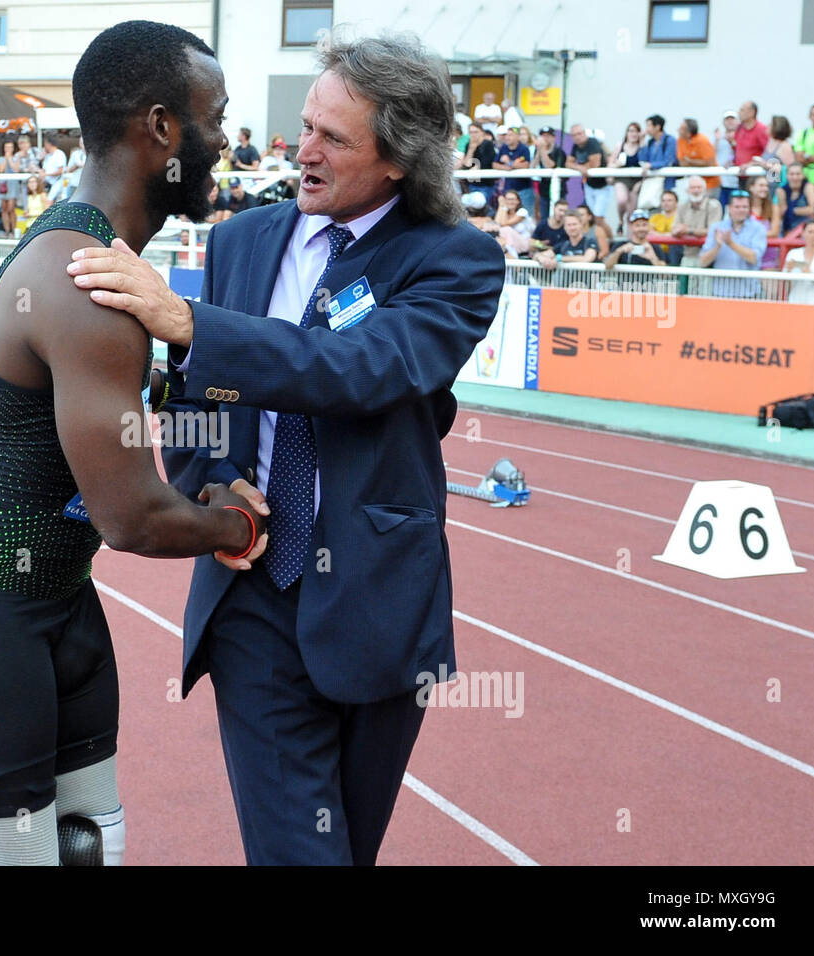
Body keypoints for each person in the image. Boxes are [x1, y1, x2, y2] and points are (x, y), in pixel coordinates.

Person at [67, 32, 504, 866]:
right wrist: (211, 483)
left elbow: (363, 369)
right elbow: (196, 398)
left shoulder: (456, 261)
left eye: (333, 139)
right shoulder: (244, 242)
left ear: (401, 160)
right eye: (304, 126)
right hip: (255, 598)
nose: (301, 151)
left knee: (346, 850)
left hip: (379, 609)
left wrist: (194, 325)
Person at [0, 19, 265, 868]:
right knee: (25, 863)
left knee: (90, 848)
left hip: (52, 589)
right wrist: (237, 524)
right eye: (219, 116)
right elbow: (131, 516)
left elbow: (123, 424)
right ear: (162, 129)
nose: (230, 140)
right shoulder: (83, 281)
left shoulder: (94, 250)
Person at [698, 189, 767, 298]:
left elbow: (754, 258)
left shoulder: (758, 228)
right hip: (720, 293)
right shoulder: (716, 227)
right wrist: (718, 246)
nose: (741, 210)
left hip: (749, 293)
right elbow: (702, 261)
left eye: (744, 207)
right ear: (729, 208)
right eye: (737, 207)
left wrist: (730, 243)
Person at [672, 175, 724, 267]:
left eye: (699, 187)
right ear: (687, 190)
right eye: (692, 188)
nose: (696, 190)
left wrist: (688, 231)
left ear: (705, 189)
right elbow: (675, 229)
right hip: (687, 255)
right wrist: (678, 231)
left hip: (708, 256)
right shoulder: (682, 206)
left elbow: (712, 231)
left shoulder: (714, 205)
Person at [570, 124, 612, 230]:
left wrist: (578, 167)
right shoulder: (575, 146)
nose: (577, 137)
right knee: (592, 218)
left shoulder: (592, 143)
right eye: (574, 135)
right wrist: (580, 168)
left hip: (602, 186)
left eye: (579, 133)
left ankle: (610, 240)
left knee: (598, 219)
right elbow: (568, 163)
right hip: (589, 185)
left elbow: (595, 164)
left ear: (584, 133)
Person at [535, 203, 598, 268]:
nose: (572, 228)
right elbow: (537, 255)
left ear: (581, 225)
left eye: (574, 224)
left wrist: (559, 258)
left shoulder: (590, 242)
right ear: (564, 227)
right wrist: (542, 259)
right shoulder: (563, 245)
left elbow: (587, 259)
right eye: (569, 225)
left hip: (589, 278)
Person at [793, 104, 814, 217]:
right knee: (810, 211)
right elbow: (799, 157)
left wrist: (809, 157)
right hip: (807, 179)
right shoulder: (803, 134)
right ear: (810, 116)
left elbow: (805, 156)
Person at [784, 218, 814, 304]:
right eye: (810, 232)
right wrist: (788, 271)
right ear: (803, 233)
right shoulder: (793, 254)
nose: (813, 235)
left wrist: (810, 275)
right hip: (796, 301)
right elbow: (784, 283)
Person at [494, 125, 533, 214]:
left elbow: (525, 165)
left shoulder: (524, 149)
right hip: (508, 189)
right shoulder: (504, 148)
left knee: (526, 214)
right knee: (508, 214)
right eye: (507, 135)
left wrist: (509, 163)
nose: (507, 137)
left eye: (510, 135)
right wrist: (506, 167)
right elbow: (494, 164)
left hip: (523, 189)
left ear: (517, 137)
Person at [676, 118, 718, 197]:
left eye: (681, 128)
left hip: (710, 184)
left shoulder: (702, 140)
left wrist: (691, 161)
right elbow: (682, 163)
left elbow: (710, 163)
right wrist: (699, 162)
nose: (678, 130)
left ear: (688, 133)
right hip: (692, 184)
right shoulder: (680, 140)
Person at [611, 121, 643, 224]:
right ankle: (620, 219)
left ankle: (630, 236)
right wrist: (617, 165)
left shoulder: (642, 147)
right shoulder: (620, 146)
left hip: (636, 181)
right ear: (627, 133)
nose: (633, 134)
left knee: (632, 211)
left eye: (636, 131)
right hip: (622, 179)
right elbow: (610, 164)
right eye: (631, 131)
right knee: (622, 200)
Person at [746, 175, 781, 269]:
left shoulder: (773, 207)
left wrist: (750, 234)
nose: (765, 188)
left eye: (766, 186)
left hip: (769, 257)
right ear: (751, 187)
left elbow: (774, 232)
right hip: (747, 255)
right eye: (761, 185)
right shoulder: (744, 207)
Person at [533, 126, 566, 221]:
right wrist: (539, 153)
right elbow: (533, 166)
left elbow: (551, 166)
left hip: (558, 189)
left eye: (548, 136)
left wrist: (542, 151)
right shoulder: (539, 150)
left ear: (553, 137)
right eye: (543, 136)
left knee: (558, 216)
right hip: (543, 189)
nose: (545, 138)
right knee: (544, 217)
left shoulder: (559, 152)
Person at [778, 164, 814, 238]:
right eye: (792, 174)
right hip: (787, 228)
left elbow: (812, 210)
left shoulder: (808, 187)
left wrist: (791, 210)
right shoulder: (781, 190)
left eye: (798, 174)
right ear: (787, 175)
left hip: (804, 229)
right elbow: (781, 212)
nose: (795, 177)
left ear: (803, 175)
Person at [462, 122, 496, 203]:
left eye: (476, 132)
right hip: (472, 183)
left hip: (485, 183)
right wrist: (471, 149)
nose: (473, 135)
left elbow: (487, 162)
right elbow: (467, 165)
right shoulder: (468, 145)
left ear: (482, 132)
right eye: (471, 132)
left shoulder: (488, 144)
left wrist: (476, 167)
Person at [714, 110, 740, 207]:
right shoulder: (718, 137)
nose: (729, 121)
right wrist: (717, 140)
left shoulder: (742, 137)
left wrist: (732, 142)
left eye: (732, 119)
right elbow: (711, 154)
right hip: (720, 181)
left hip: (736, 181)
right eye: (727, 119)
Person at [649, 189, 680, 265]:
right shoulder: (655, 217)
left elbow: (678, 234)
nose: (666, 203)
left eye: (669, 200)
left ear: (676, 203)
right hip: (658, 251)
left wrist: (658, 234)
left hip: (674, 252)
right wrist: (667, 235)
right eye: (663, 201)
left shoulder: (680, 217)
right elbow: (648, 232)